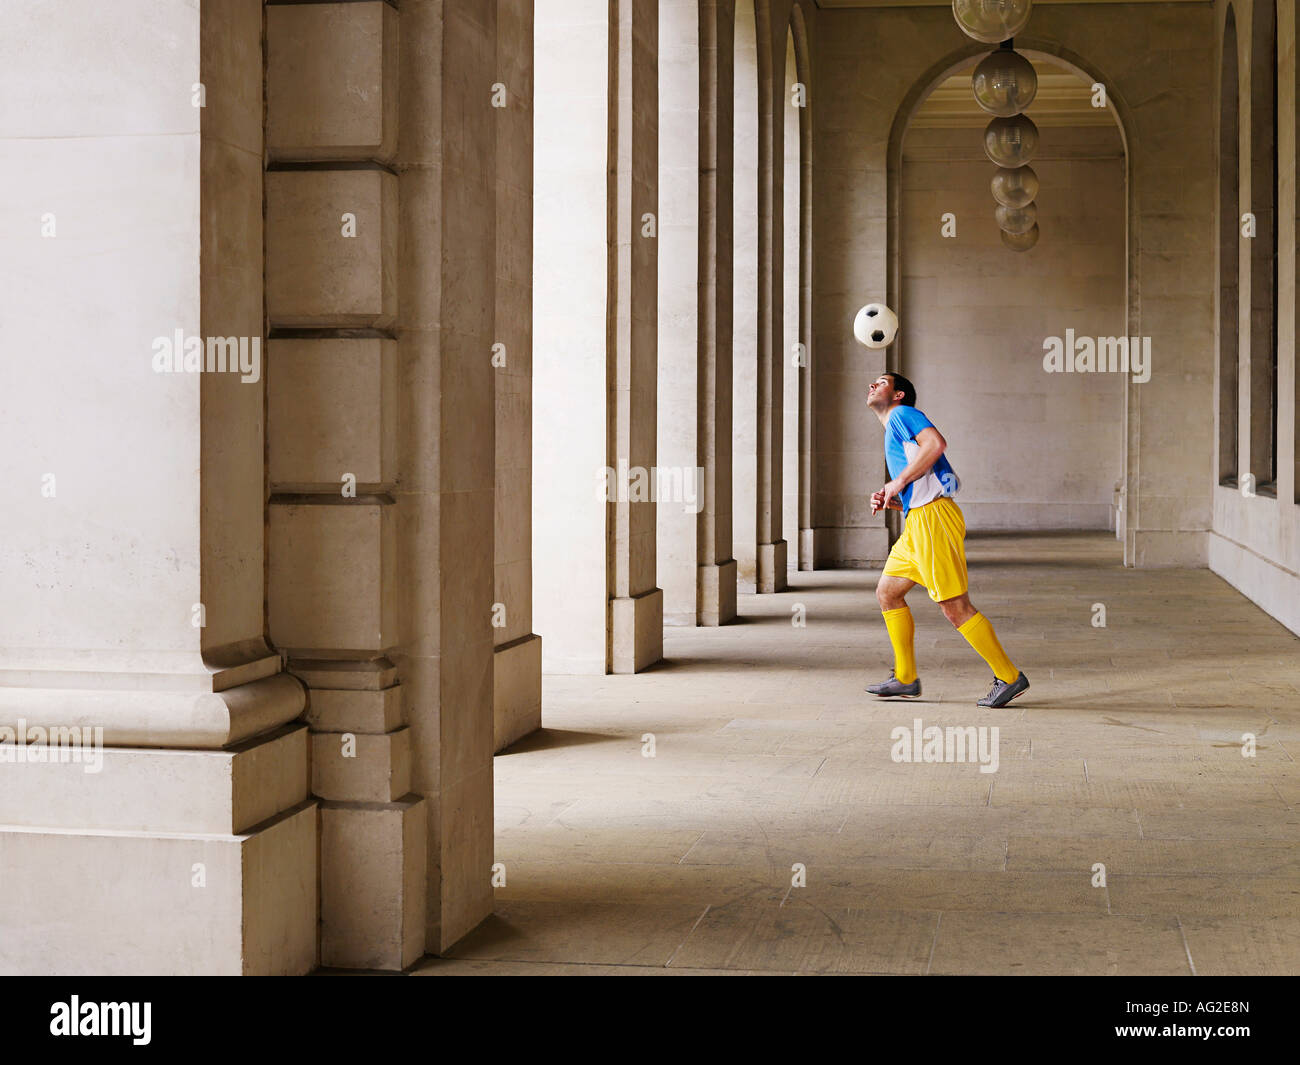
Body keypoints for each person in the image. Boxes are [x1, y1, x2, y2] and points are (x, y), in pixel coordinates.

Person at [864, 372, 1029, 708]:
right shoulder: (894, 427)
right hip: (917, 522)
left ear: (898, 395)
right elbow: (930, 473)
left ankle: (1009, 676)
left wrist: (896, 483)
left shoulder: (902, 414)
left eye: (881, 382)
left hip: (933, 521)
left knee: (954, 607)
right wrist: (895, 498)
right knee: (888, 593)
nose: (872, 385)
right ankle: (906, 678)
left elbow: (936, 444)